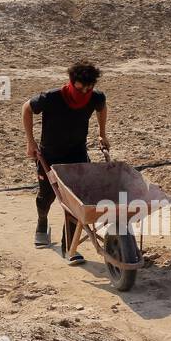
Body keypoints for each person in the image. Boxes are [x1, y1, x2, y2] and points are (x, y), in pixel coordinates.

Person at [21, 62, 109, 264]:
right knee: (46, 197)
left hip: (77, 154)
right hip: (50, 155)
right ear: (71, 83)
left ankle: (69, 247)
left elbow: (101, 108)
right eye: (79, 88)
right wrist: (30, 142)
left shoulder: (96, 97)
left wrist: (102, 133)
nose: (84, 92)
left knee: (75, 203)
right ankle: (42, 223)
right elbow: (26, 108)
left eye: (88, 88)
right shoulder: (52, 98)